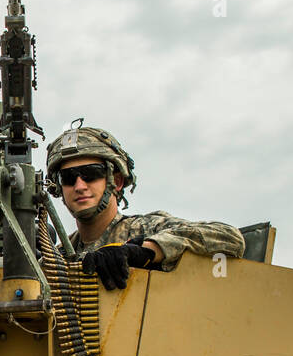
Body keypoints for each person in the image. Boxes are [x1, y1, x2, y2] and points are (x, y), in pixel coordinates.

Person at [45, 123, 246, 289]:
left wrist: (145, 251)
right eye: (69, 178)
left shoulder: (145, 229)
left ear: (116, 181)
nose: (79, 186)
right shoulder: (58, 257)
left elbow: (230, 238)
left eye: (91, 173)